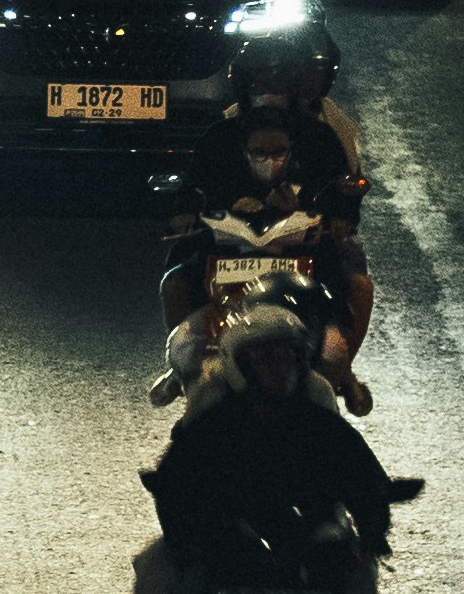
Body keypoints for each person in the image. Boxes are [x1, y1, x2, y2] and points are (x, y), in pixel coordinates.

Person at [142, 305, 412, 570]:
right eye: (266, 358)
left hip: (310, 513)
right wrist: (183, 542)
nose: (280, 368)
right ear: (241, 364)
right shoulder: (216, 414)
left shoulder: (315, 408)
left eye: (287, 355)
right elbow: (176, 480)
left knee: (347, 565)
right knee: (179, 568)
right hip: (232, 516)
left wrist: (373, 527)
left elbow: (356, 468)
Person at [156, 100, 383, 410]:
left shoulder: (320, 147)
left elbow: (340, 198)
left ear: (291, 149)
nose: (270, 160)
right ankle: (181, 371)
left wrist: (330, 216)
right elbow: (192, 191)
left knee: (355, 292)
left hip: (304, 258)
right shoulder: (219, 150)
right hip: (228, 254)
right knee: (175, 283)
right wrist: (189, 214)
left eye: (278, 152)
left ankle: (342, 374)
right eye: (259, 153)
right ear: (244, 150)